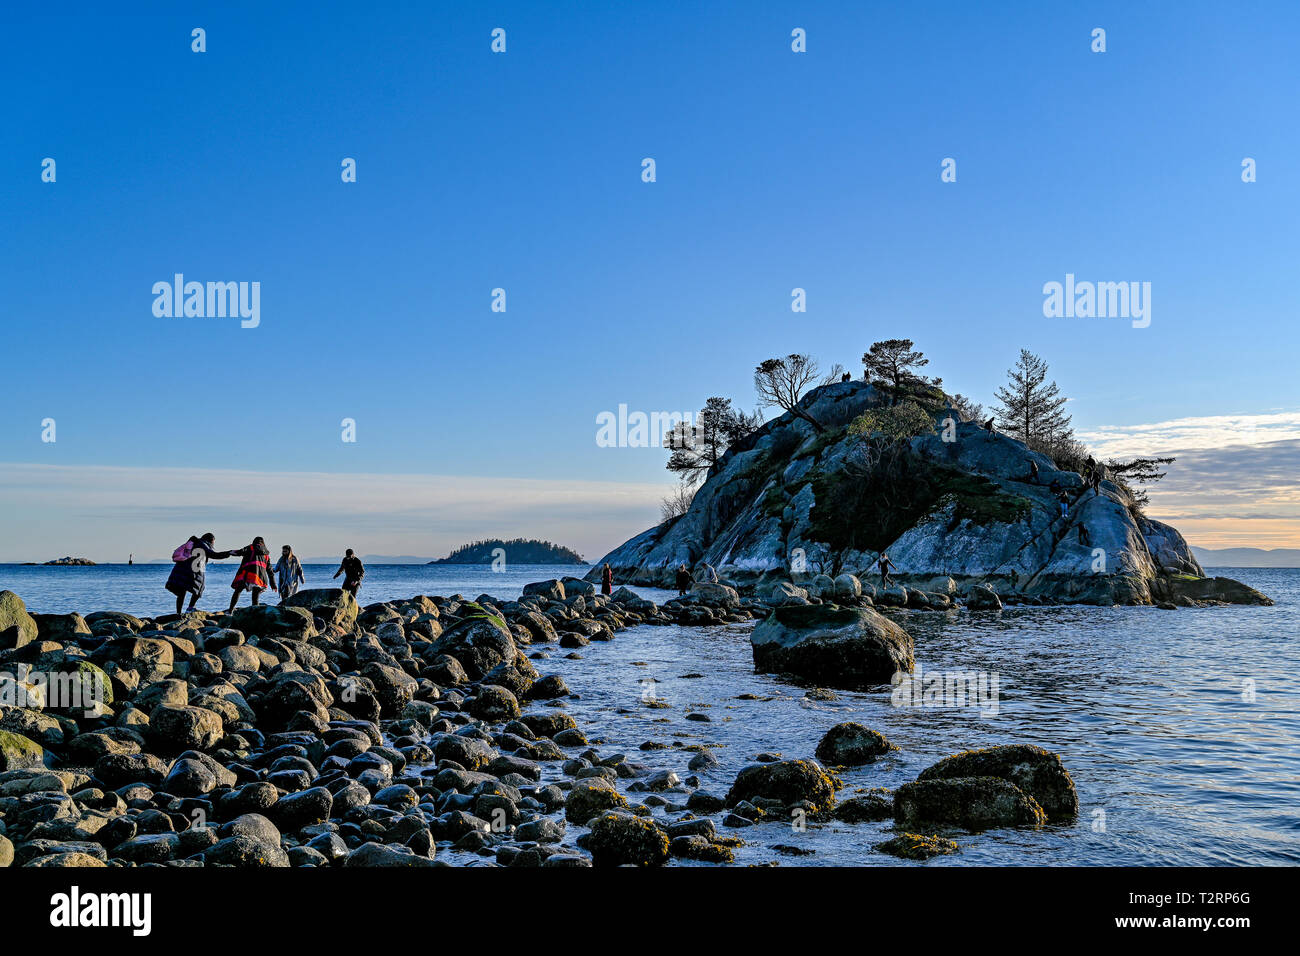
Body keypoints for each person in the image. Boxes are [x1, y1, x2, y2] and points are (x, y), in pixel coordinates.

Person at [165, 533, 236, 614]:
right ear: (211, 540)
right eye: (213, 542)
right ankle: (190, 608)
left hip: (181, 568)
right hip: (194, 569)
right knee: (199, 588)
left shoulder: (193, 543)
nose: (213, 544)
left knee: (182, 591)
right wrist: (229, 553)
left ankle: (178, 613)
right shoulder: (202, 544)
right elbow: (213, 555)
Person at [228, 537, 275, 612]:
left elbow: (239, 552)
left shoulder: (251, 547)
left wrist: (229, 552)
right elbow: (270, 570)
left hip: (247, 575)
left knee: (238, 591)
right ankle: (255, 613)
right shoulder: (266, 554)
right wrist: (273, 584)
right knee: (255, 595)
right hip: (260, 578)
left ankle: (230, 610)